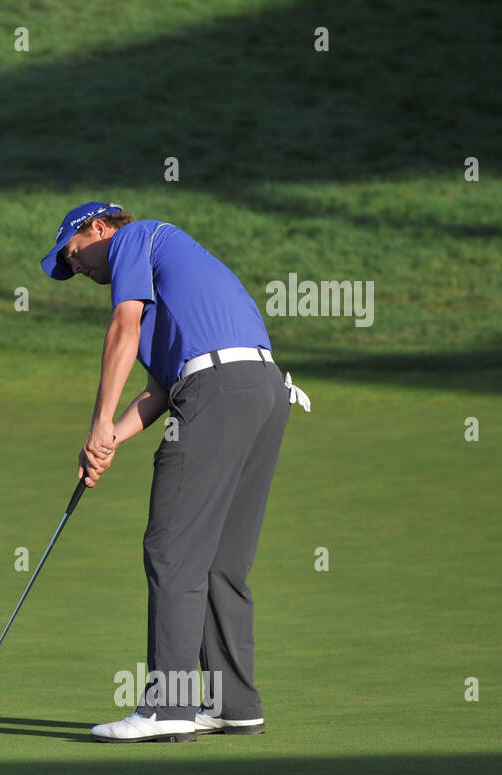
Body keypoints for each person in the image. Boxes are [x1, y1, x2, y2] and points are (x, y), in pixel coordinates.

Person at [40, 201, 309, 743]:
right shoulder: (170, 295)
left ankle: (168, 708)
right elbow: (161, 389)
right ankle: (234, 703)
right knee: (220, 561)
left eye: (75, 257)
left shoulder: (136, 238)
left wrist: (95, 421)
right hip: (261, 390)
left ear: (97, 228)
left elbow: (123, 325)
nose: (80, 272)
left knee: (172, 550)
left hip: (219, 392)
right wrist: (109, 439)